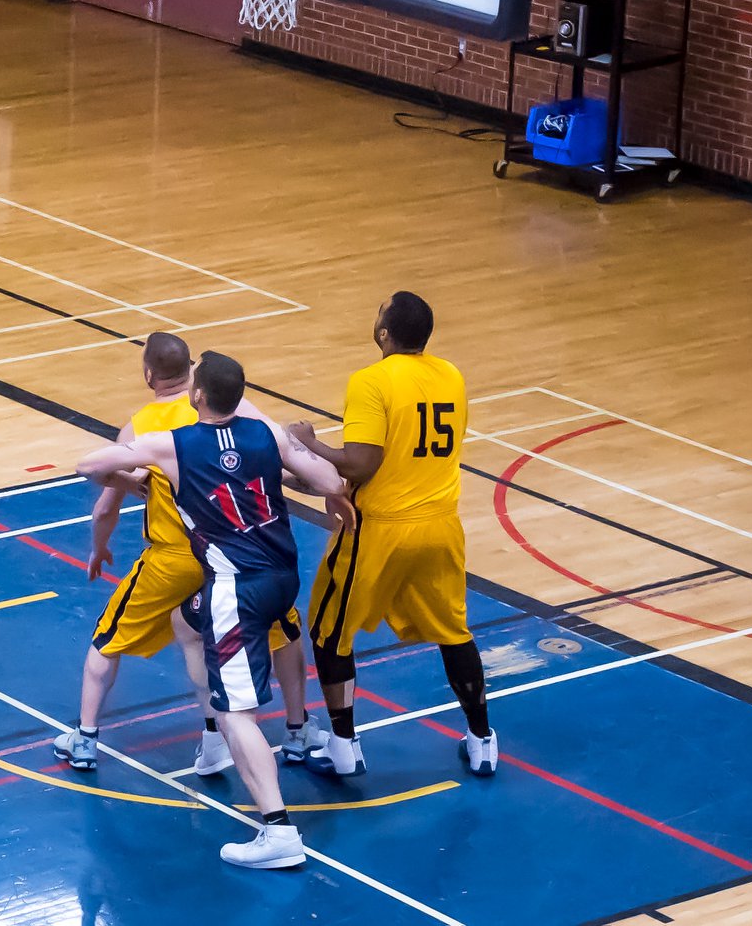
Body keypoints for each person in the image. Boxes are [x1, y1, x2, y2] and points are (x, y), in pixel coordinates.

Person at [77, 351, 347, 870]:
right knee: (191, 623)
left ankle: (277, 829)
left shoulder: (171, 445)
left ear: (197, 396)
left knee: (234, 711)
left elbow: (88, 465)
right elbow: (330, 481)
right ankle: (252, 735)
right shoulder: (264, 433)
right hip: (282, 574)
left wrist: (132, 477)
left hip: (234, 585)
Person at [52, 333, 328, 776]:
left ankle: (85, 738)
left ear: (148, 375)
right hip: (237, 555)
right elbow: (278, 461)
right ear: (194, 376)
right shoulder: (233, 414)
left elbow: (104, 496)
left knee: (108, 639)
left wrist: (101, 543)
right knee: (283, 631)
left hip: (174, 559)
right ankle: (295, 732)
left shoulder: (144, 426)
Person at [287, 290, 496, 777]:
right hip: (441, 525)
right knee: (454, 632)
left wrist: (309, 442)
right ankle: (482, 738)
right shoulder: (451, 375)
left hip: (379, 529)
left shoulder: (372, 380)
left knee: (329, 632)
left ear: (384, 333)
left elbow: (363, 462)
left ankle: (343, 747)